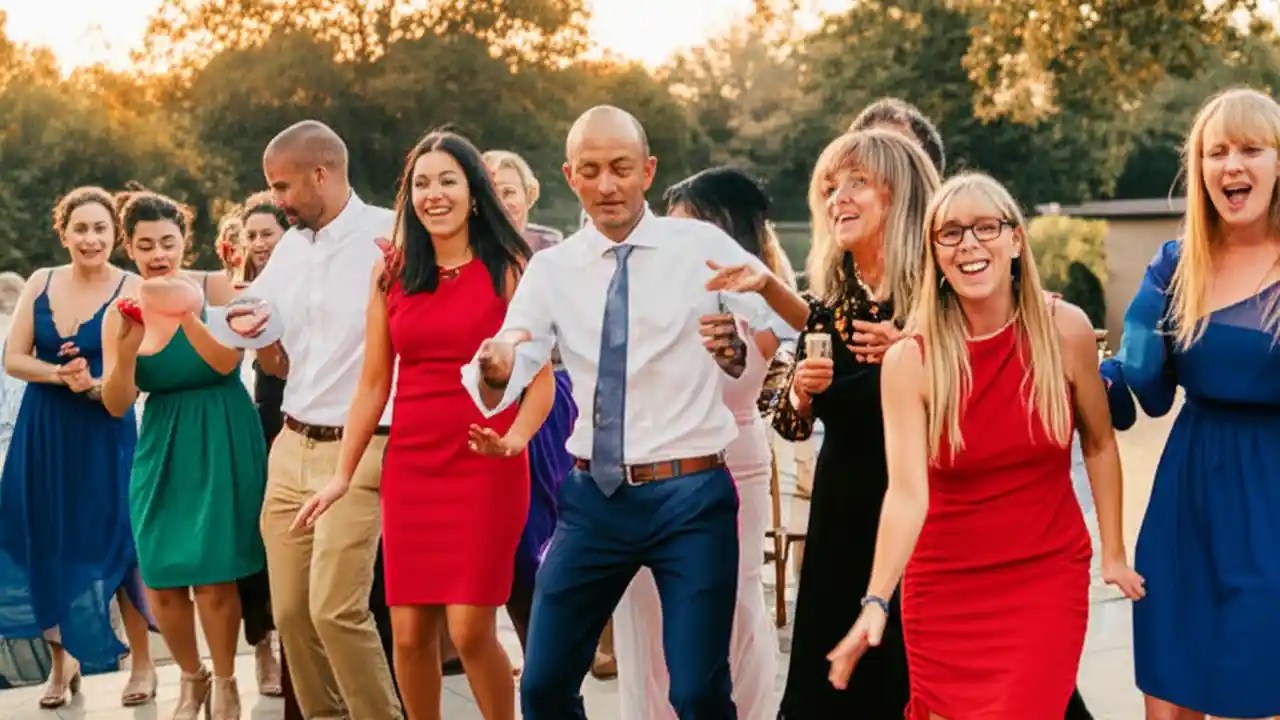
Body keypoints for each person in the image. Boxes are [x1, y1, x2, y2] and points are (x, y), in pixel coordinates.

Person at [464, 105, 807, 719]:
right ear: (570, 175)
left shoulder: (699, 246)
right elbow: (510, 359)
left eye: (620, 168)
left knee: (697, 692)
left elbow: (790, 321)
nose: (606, 185)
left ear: (647, 170)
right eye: (590, 170)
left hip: (692, 495)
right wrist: (494, 365)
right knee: (542, 686)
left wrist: (759, 299)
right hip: (593, 500)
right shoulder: (552, 269)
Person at [827, 172, 1144, 717]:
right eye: (950, 233)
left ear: (1016, 239)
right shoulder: (911, 360)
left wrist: (1113, 552)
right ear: (934, 253)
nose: (969, 244)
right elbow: (905, 494)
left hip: (1046, 574)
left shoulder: (1064, 330)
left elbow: (1098, 443)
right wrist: (877, 600)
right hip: (945, 588)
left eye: (985, 228)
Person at [1100, 87, 1280, 720]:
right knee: (1173, 687)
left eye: (1252, 149)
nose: (1232, 165)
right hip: (1188, 500)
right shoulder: (1176, 265)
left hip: (1273, 503)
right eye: (1216, 151)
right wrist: (1066, 354)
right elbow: (1141, 389)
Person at [234, 119, 403, 720]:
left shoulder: (392, 235)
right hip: (291, 440)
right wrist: (240, 322)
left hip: (362, 447)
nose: (277, 201)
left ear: (321, 174)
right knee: (289, 615)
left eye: (282, 187)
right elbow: (267, 327)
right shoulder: (289, 248)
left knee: (336, 609)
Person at [612, 166, 795, 719]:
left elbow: (780, 349)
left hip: (732, 467)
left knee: (734, 607)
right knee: (647, 608)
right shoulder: (652, 293)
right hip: (650, 467)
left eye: (688, 226)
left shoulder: (760, 303)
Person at [772, 129, 937, 718]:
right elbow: (788, 426)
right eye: (830, 187)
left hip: (922, 515)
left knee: (915, 676)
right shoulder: (828, 305)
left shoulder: (943, 295)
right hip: (841, 518)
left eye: (857, 183)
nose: (837, 198)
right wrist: (800, 393)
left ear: (901, 194)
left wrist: (918, 352)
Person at [100, 189, 268, 719]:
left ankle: (225, 682)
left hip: (221, 428)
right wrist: (126, 350)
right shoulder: (119, 312)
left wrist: (186, 311)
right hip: (162, 437)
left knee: (216, 574)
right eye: (145, 244)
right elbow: (115, 402)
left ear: (183, 242)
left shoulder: (214, 286)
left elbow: (225, 363)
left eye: (167, 242)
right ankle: (190, 679)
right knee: (161, 573)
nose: (158, 254)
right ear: (129, 247)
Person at [0, 187, 155, 708]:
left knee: (121, 542)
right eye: (80, 228)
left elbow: (141, 365)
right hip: (43, 430)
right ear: (63, 232)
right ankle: (61, 665)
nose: (91, 239)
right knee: (44, 539)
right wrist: (57, 374)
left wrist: (94, 381)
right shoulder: (41, 282)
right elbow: (14, 358)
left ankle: (142, 662)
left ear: (115, 235)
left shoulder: (133, 285)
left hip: (105, 430)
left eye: (100, 229)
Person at [482, 149, 583, 671]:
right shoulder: (464, 253)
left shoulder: (551, 251)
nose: (501, 198)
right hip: (486, 402)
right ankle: (535, 651)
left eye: (510, 188)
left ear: (529, 195)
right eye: (491, 187)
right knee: (510, 545)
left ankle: (556, 652)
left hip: (549, 401)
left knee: (554, 529)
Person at [233, 192, 287, 699]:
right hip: (267, 412)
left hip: (321, 408)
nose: (258, 242)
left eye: (266, 233)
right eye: (250, 235)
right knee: (260, 529)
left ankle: (299, 646)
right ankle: (263, 646)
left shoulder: (303, 278)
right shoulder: (237, 292)